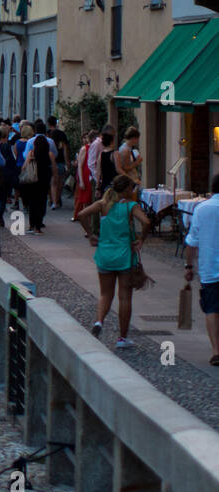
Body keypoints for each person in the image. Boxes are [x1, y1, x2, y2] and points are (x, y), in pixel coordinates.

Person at [78, 174, 151, 349]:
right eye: (131, 189)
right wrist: (141, 239)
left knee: (105, 294)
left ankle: (98, 322)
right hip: (125, 255)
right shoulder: (130, 207)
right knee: (124, 297)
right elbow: (146, 222)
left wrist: (90, 234)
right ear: (126, 190)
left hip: (104, 254)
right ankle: (122, 338)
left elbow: (81, 214)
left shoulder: (103, 204)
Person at [183, 174, 219, 366]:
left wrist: (189, 266)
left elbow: (191, 242)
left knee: (212, 308)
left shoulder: (201, 209)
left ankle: (216, 351)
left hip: (209, 267)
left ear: (212, 189)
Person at [19, 123, 52, 235]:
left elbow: (24, 167)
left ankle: (31, 225)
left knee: (32, 203)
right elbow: (53, 168)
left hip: (32, 180)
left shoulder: (31, 153)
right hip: (44, 180)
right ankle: (38, 226)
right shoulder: (49, 154)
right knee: (41, 202)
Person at [72, 130, 96, 221]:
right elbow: (80, 165)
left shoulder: (96, 148)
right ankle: (87, 223)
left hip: (93, 175)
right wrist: (81, 180)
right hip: (86, 176)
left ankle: (92, 223)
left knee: (92, 201)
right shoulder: (84, 149)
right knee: (86, 201)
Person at [47, 116, 70, 210]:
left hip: (49, 161)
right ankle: (57, 198)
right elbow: (65, 149)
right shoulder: (62, 134)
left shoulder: (47, 134)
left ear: (48, 123)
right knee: (60, 181)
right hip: (60, 161)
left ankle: (53, 200)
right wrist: (67, 161)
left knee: (52, 182)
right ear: (56, 123)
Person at [114, 126, 143, 196]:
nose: (137, 141)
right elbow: (125, 168)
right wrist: (136, 163)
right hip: (129, 179)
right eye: (137, 139)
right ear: (133, 138)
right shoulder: (125, 150)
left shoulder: (130, 148)